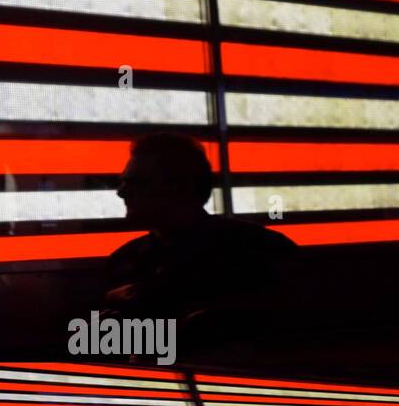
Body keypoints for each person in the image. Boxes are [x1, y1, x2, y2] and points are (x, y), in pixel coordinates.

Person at [105, 132, 297, 358]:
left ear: (182, 187)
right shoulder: (124, 261)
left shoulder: (258, 252)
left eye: (137, 182)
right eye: (124, 182)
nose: (121, 192)